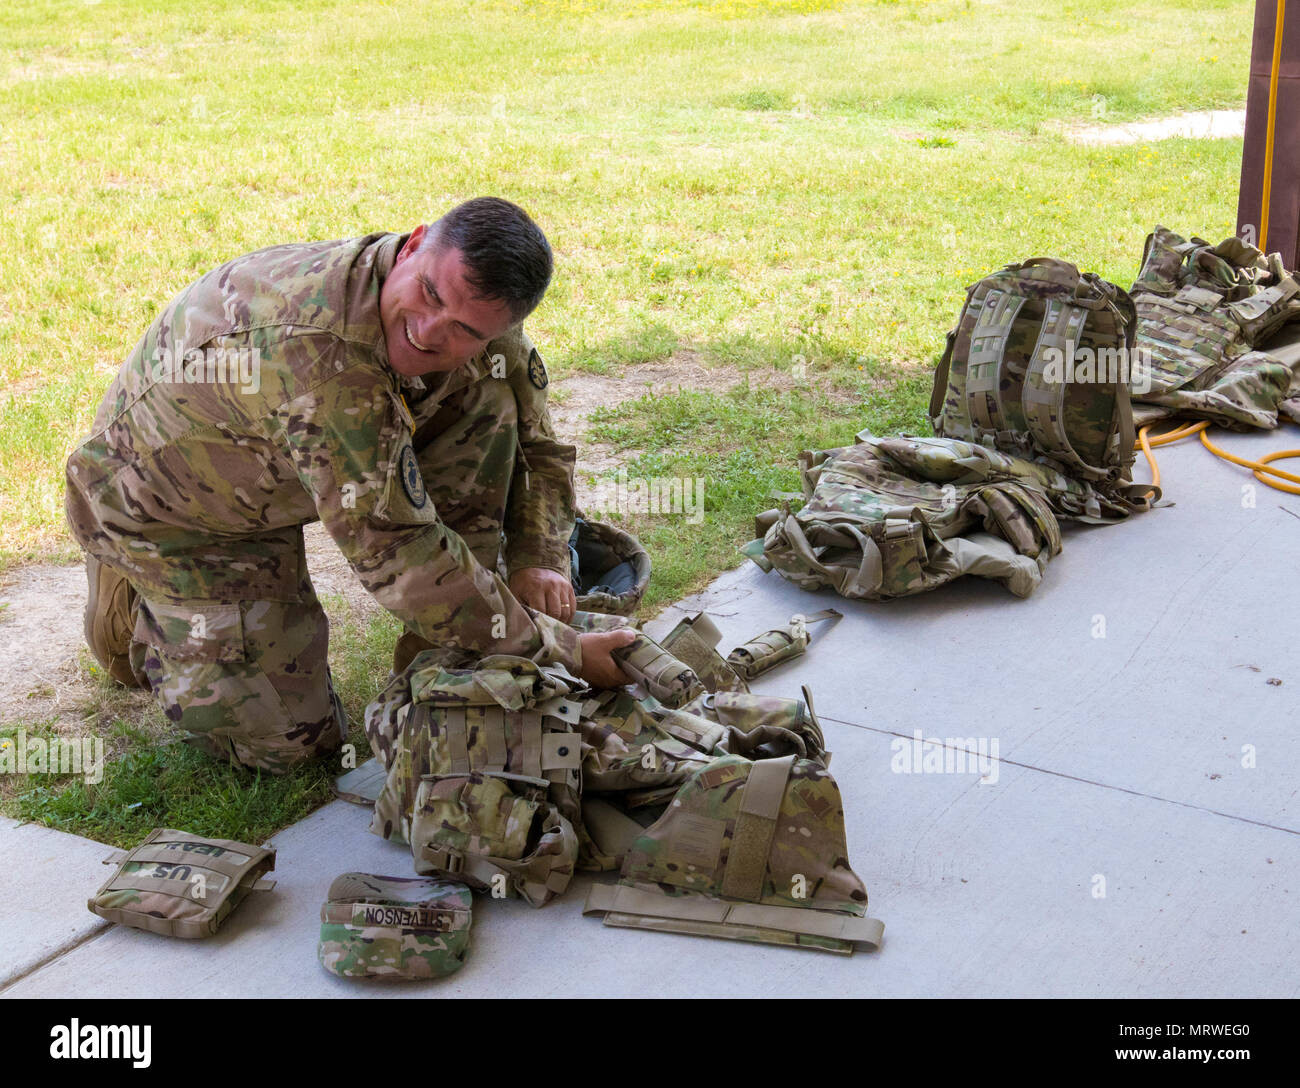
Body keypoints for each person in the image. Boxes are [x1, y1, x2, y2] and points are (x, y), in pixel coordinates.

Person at [66, 197, 634, 773]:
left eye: (465, 328)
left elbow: (540, 448)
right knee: (294, 752)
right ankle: (130, 602)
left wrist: (539, 559)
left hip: (289, 459)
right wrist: (564, 651)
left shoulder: (477, 320)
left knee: (487, 394)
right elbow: (397, 555)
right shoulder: (325, 361)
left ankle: (448, 657)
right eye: (430, 294)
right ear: (413, 245)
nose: (430, 329)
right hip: (172, 507)